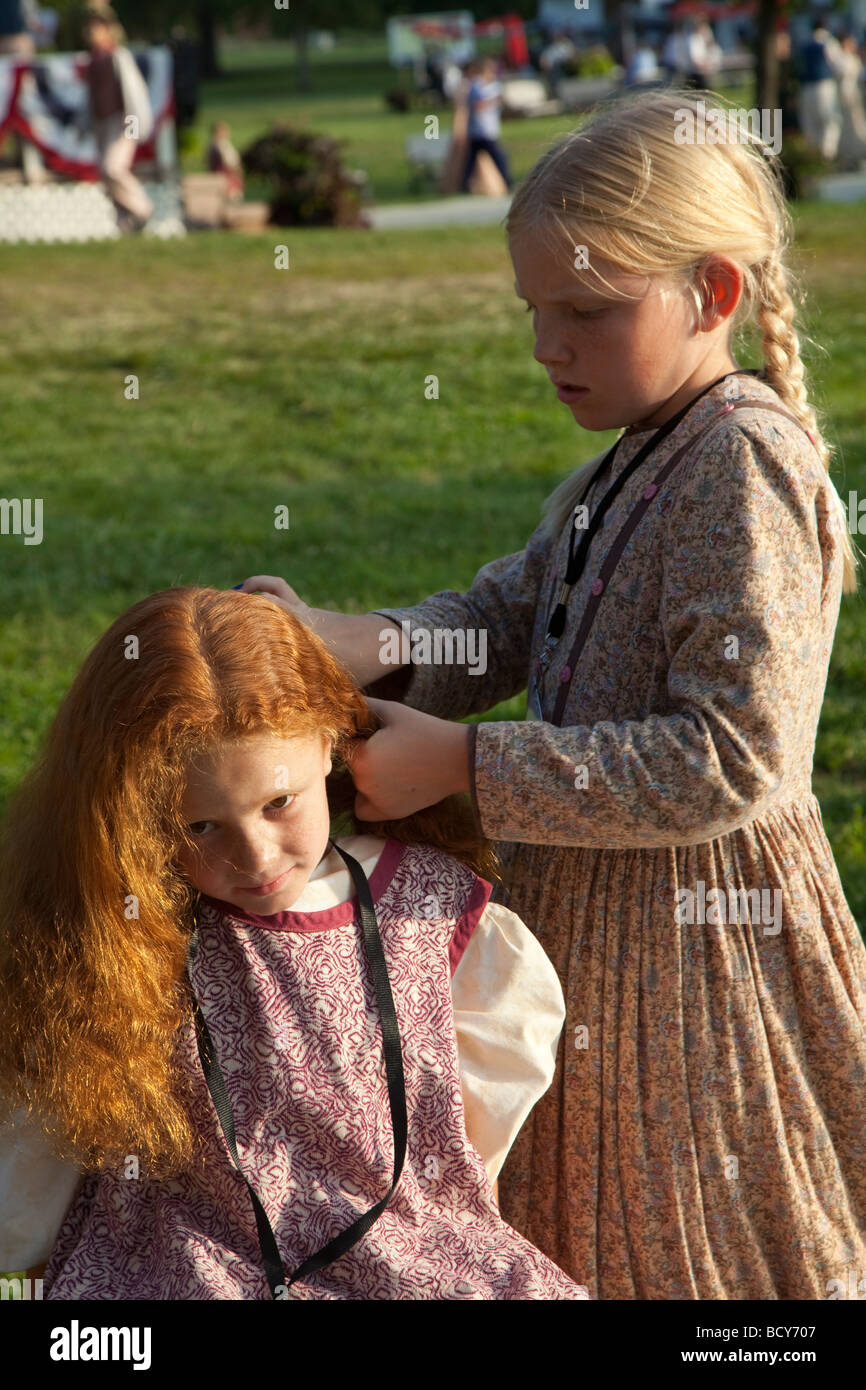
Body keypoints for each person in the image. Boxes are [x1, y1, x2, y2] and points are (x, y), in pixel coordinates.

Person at [235, 87, 866, 1300]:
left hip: (701, 952)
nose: (546, 346)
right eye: (535, 312)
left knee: (689, 1243)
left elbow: (731, 762)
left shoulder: (744, 466)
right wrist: (344, 645)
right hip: (593, 914)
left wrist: (468, 770)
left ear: (713, 292)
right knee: (587, 1215)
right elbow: (504, 625)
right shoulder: (622, 458)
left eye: (584, 310)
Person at [0, 587, 588, 1301]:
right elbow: (37, 1161)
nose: (255, 857)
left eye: (279, 803)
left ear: (331, 741)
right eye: (199, 827)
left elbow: (472, 1141)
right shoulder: (115, 933)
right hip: (184, 1269)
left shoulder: (427, 912)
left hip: (415, 1259)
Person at [82, 5, 154, 234]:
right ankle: (125, 219)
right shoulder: (93, 61)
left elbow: (133, 94)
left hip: (123, 122)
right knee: (105, 173)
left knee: (114, 168)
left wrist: (133, 129)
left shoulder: (117, 57)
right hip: (103, 123)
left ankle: (142, 208)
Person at [460, 57, 512, 195]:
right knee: (499, 158)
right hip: (480, 130)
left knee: (471, 162)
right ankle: (508, 182)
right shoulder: (476, 86)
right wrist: (494, 100)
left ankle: (464, 186)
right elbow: (478, 106)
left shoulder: (492, 86)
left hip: (489, 130)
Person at [797, 17, 844, 161]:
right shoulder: (828, 43)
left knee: (811, 122)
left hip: (806, 88)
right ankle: (826, 154)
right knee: (830, 121)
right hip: (824, 86)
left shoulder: (804, 44)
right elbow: (837, 66)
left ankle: (814, 153)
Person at [834, 32, 866, 170]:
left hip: (855, 96)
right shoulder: (841, 58)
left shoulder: (852, 58)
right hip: (846, 96)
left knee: (857, 125)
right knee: (849, 127)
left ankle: (858, 155)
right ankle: (850, 157)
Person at [207, 119, 244, 200]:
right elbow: (227, 163)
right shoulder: (219, 146)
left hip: (229, 178)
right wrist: (236, 169)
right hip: (226, 180)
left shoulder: (222, 144)